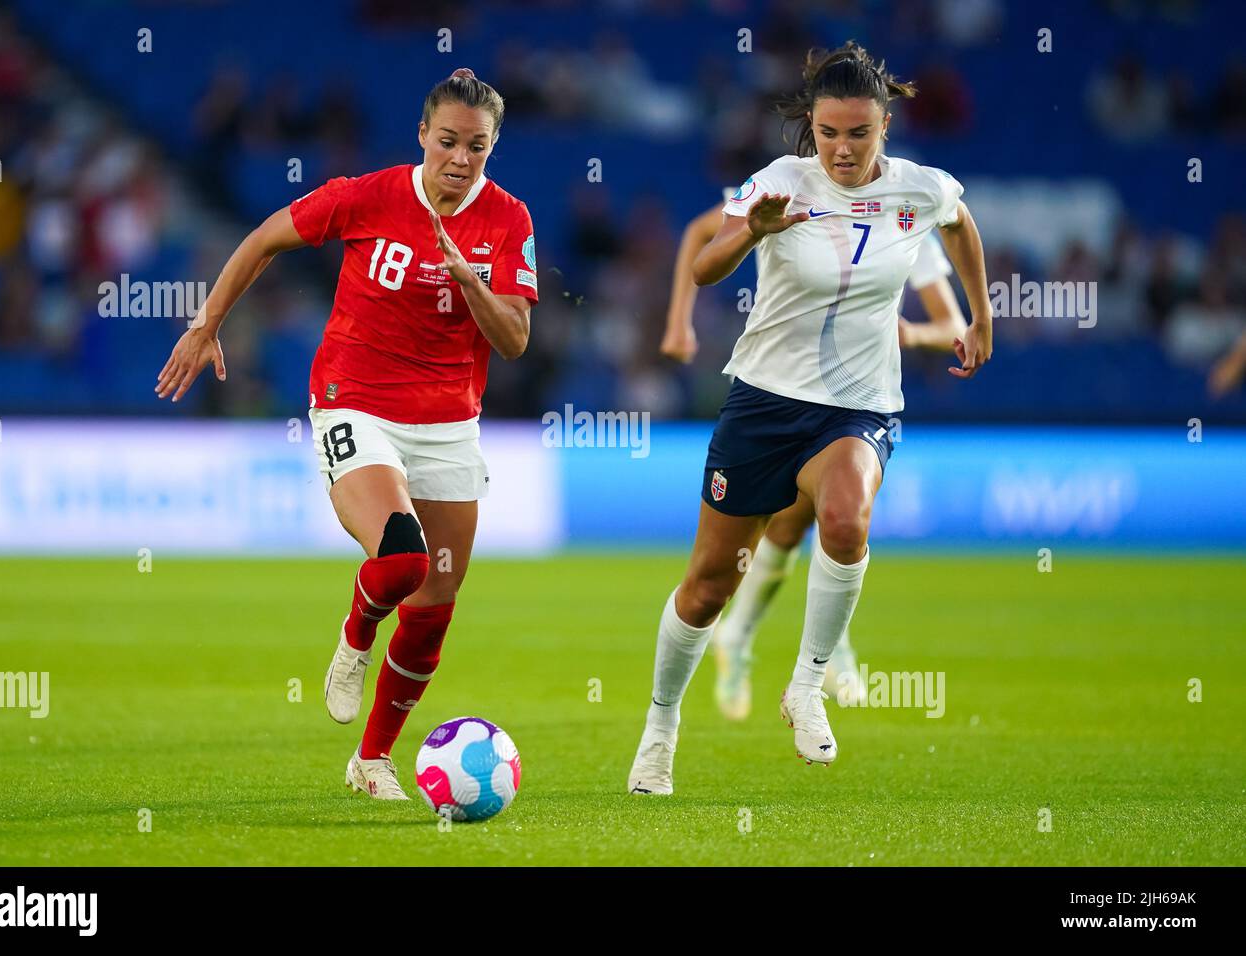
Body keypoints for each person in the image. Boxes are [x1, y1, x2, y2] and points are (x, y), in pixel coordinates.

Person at [155, 69, 538, 800]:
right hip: (354, 400)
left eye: (477, 147)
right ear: (423, 136)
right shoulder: (367, 196)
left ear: (493, 147)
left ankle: (371, 761)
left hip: (451, 422)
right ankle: (355, 638)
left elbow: (516, 340)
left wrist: (472, 283)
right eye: (449, 141)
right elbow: (264, 238)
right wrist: (207, 324)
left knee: (435, 606)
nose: (461, 159)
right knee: (400, 563)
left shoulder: (508, 219)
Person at [628, 42, 992, 794]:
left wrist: (981, 315)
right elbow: (702, 266)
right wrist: (752, 231)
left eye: (858, 133)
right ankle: (660, 729)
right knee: (706, 587)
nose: (842, 148)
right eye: (829, 132)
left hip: (859, 405)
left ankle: (808, 683)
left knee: (848, 518)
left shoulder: (917, 189)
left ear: (884, 126)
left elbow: (958, 224)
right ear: (811, 127)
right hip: (764, 402)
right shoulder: (780, 182)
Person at [662, 204, 968, 720]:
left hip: (851, 404)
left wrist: (910, 334)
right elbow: (698, 230)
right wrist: (679, 324)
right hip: (777, 388)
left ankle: (768, 642)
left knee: (831, 515)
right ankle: (761, 638)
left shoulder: (903, 214)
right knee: (783, 528)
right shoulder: (790, 190)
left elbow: (952, 326)